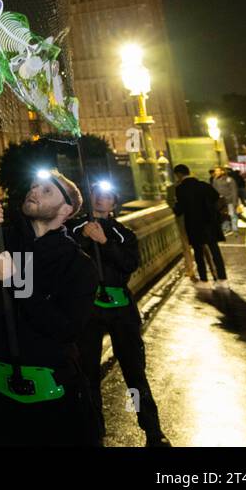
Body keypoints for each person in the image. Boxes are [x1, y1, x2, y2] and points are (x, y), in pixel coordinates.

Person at [0, 169, 100, 446]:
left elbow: (64, 329)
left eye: (47, 190)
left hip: (54, 397)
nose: (34, 191)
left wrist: (14, 280)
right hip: (1, 394)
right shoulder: (8, 242)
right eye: (34, 185)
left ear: (67, 209)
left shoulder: (79, 264)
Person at [65, 181, 170, 447]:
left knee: (134, 372)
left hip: (121, 309)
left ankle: (152, 430)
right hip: (88, 310)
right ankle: (95, 432)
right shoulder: (74, 229)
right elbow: (63, 259)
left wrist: (103, 241)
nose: (100, 198)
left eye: (106, 196)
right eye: (96, 194)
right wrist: (84, 238)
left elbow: (129, 264)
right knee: (87, 375)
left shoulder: (123, 233)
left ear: (114, 203)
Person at [172, 164, 228, 288]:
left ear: (179, 174)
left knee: (198, 252)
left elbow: (179, 209)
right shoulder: (204, 185)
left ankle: (204, 280)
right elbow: (216, 197)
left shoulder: (181, 189)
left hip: (194, 224)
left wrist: (174, 205)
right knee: (215, 250)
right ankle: (223, 279)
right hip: (209, 222)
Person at [212, 167, 240, 235]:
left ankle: (234, 228)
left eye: (218, 171)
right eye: (215, 171)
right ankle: (226, 228)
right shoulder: (215, 179)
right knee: (224, 216)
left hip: (229, 200)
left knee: (232, 214)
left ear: (222, 172)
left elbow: (234, 191)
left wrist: (235, 202)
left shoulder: (229, 179)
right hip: (220, 202)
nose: (216, 173)